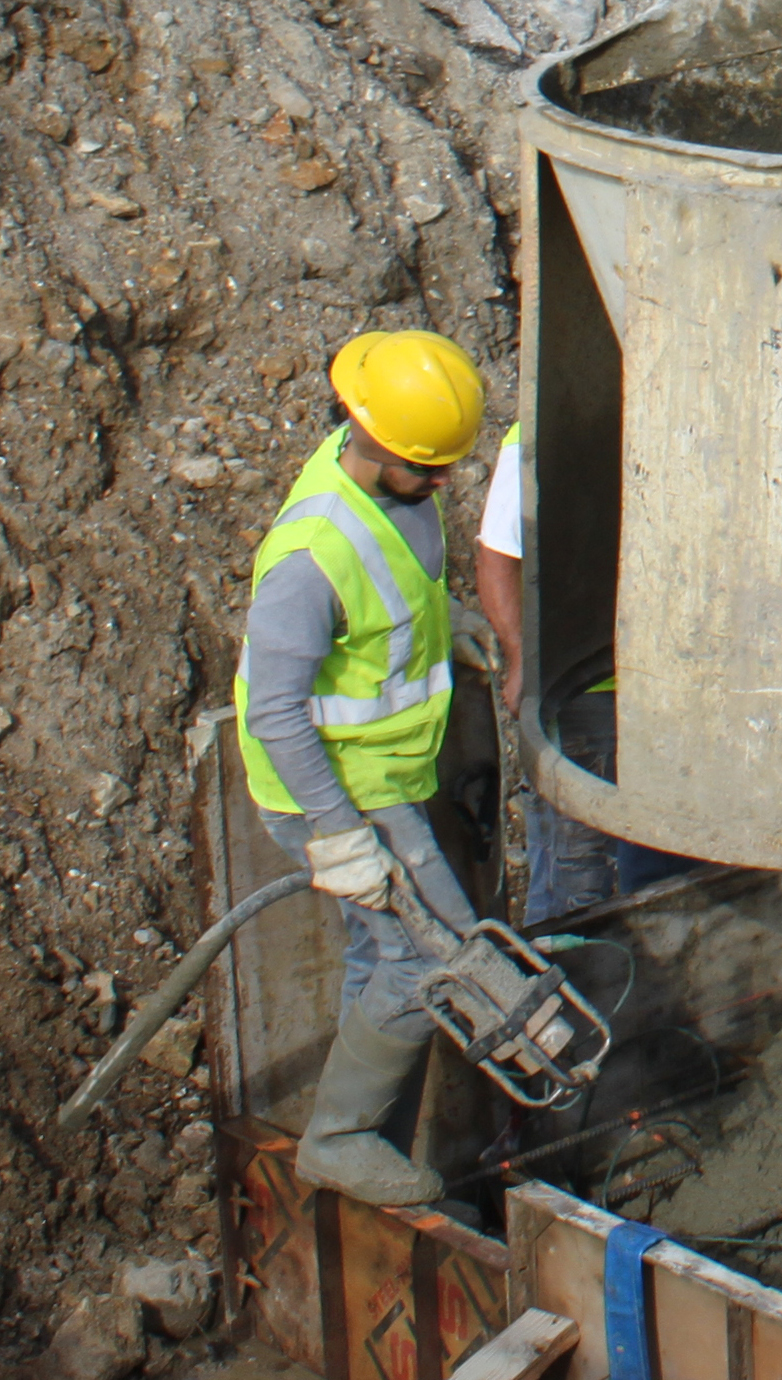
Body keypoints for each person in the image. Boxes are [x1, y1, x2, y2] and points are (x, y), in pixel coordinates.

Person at [233, 329, 489, 1207]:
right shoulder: (308, 558)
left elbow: (391, 590)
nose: (443, 483)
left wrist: (448, 619)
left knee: (378, 952)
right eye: (430, 467)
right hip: (335, 790)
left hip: (381, 776)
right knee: (436, 962)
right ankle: (338, 1138)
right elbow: (272, 709)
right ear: (373, 437)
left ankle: (367, 1140)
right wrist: (338, 835)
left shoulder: (386, 479)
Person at [474, 422, 667, 926]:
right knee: (576, 870)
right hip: (585, 693)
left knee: (661, 854)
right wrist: (522, 658)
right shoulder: (541, 428)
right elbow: (497, 559)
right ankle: (564, 983)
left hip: (672, 689)